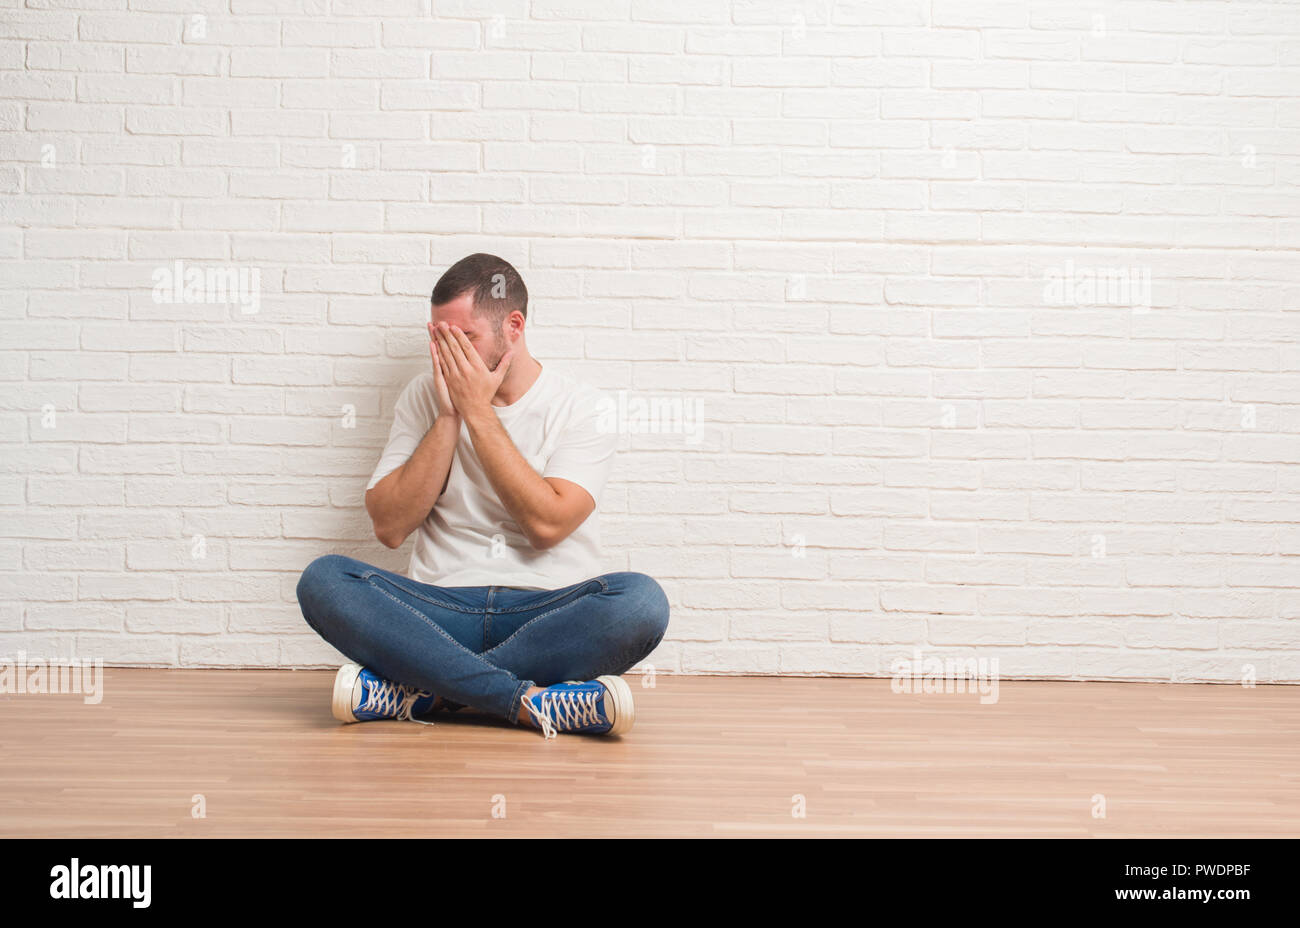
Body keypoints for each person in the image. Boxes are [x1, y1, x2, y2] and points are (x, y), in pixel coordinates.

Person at [295, 254, 670, 739]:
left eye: (464, 337)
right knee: (323, 580)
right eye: (439, 337)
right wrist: (450, 417)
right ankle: (527, 702)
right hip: (437, 613)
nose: (448, 353)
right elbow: (389, 527)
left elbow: (546, 526)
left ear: (513, 326)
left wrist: (478, 412)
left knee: (641, 602)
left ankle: (425, 692)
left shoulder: (583, 406)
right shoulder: (422, 397)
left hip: (547, 613)